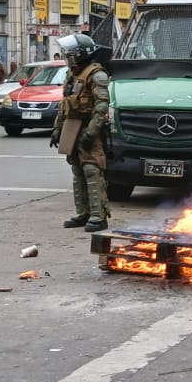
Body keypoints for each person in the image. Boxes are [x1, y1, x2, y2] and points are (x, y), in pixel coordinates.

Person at [53, 32, 109, 232]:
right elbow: (64, 104)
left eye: (70, 53)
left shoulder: (96, 75)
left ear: (81, 54)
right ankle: (82, 213)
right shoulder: (72, 75)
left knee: (91, 169)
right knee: (77, 170)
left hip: (88, 127)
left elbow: (101, 107)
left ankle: (98, 216)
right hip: (73, 126)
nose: (68, 57)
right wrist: (57, 129)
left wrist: (91, 133)